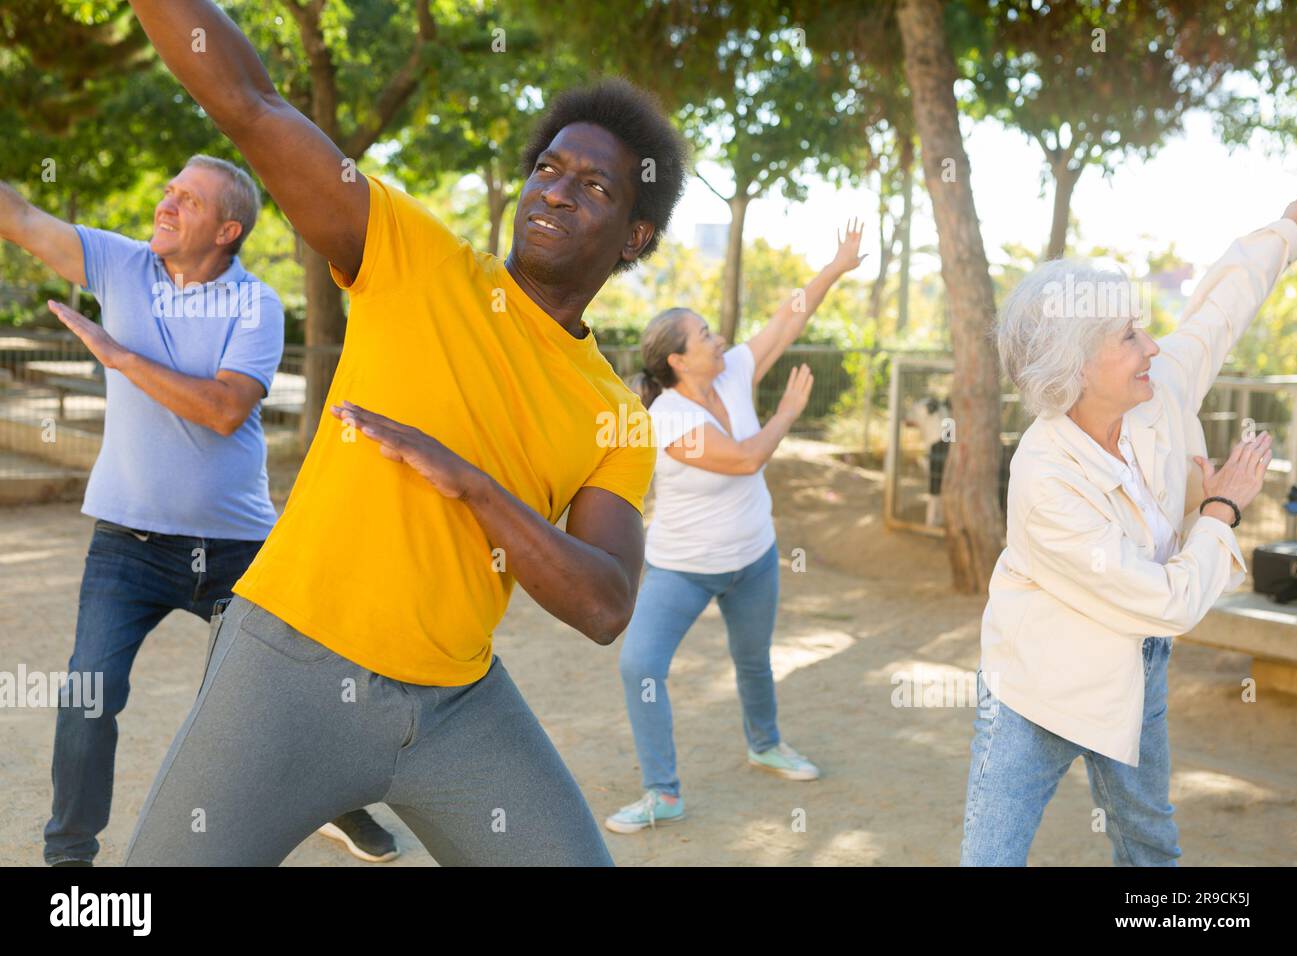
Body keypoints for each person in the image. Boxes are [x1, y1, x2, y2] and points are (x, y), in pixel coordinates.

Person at [123, 0, 687, 866]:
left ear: (634, 237)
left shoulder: (611, 412)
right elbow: (251, 104)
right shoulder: (412, 256)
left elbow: (606, 605)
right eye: (549, 168)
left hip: (457, 708)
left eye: (595, 186)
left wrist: (474, 487)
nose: (557, 191)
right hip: (287, 666)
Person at [0, 158, 397, 865]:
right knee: (88, 699)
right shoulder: (120, 265)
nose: (166, 201)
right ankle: (69, 857)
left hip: (236, 547)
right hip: (127, 543)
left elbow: (223, 409)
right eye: (169, 189)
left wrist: (117, 357)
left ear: (228, 229)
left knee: (287, 692)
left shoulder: (256, 305)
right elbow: (21, 218)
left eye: (188, 198)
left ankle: (338, 802)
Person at [961, 198, 1297, 866]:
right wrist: (1221, 510)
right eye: (1127, 337)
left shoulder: (1155, 393)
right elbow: (1169, 601)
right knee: (990, 861)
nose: (1151, 347)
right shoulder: (1045, 479)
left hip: (1135, 671)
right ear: (1073, 368)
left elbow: (1216, 316)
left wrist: (1289, 229)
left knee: (1149, 847)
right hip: (1034, 687)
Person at [605, 221, 865, 833]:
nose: (719, 337)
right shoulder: (667, 417)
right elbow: (745, 457)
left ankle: (765, 744)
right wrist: (787, 415)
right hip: (682, 568)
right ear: (676, 359)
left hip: (754, 557)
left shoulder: (731, 371)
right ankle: (663, 793)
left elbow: (788, 319)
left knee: (753, 661)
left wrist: (835, 266)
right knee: (639, 665)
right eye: (704, 335)